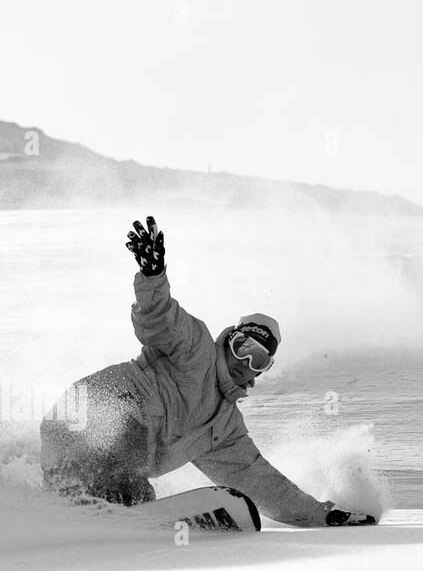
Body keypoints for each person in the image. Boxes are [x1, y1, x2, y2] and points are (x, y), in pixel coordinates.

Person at [39, 216, 376, 527]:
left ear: (262, 372)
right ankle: (113, 500)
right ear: (228, 340)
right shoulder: (195, 348)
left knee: (129, 494)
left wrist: (322, 515)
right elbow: (159, 318)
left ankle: (77, 511)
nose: (245, 363)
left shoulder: (224, 430)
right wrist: (153, 276)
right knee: (127, 461)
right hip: (93, 410)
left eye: (258, 360)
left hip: (81, 454)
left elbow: (259, 481)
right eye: (243, 348)